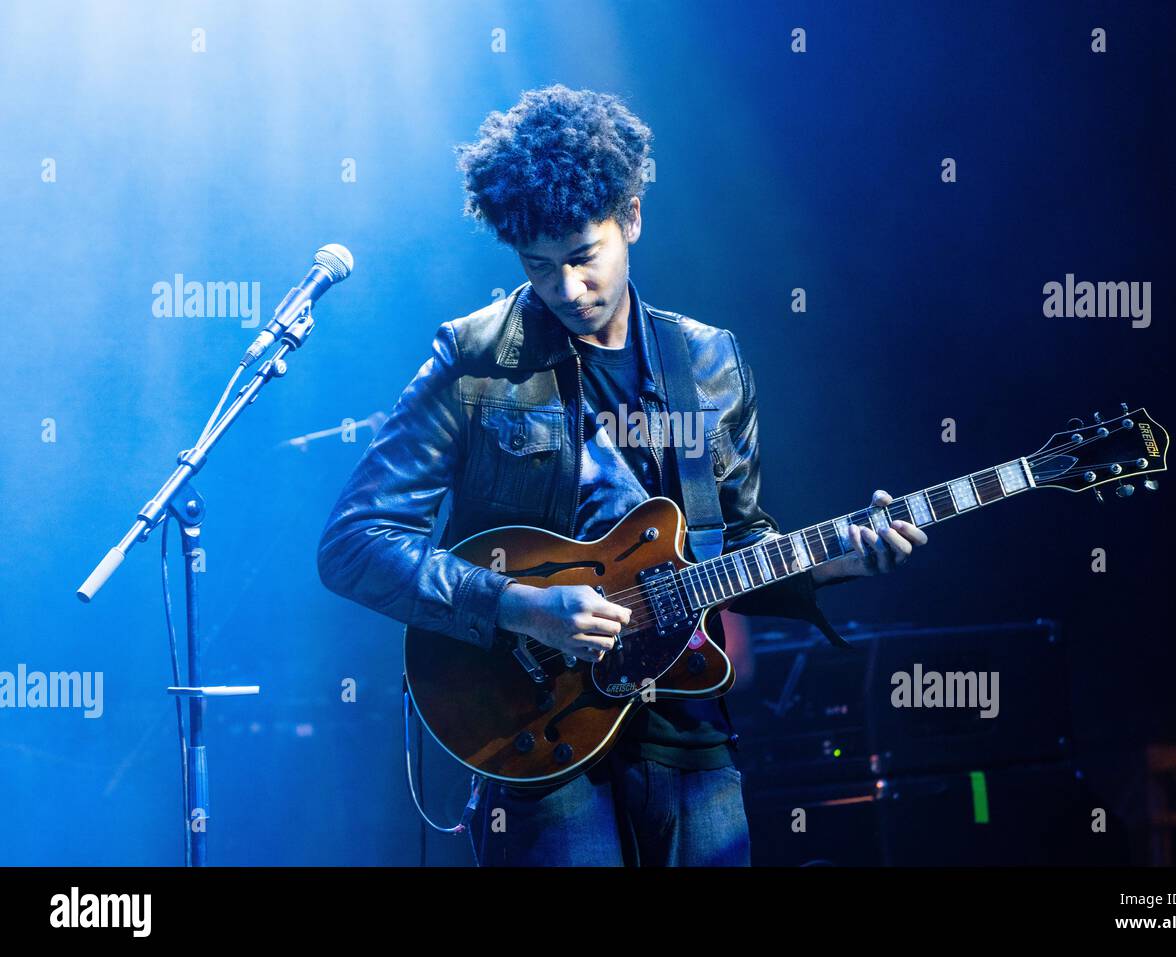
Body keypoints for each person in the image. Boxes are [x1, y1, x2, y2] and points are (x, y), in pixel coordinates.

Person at [316, 84, 929, 866]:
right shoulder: (473, 359)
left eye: (581, 257)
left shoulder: (708, 361)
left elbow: (733, 545)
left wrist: (838, 558)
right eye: (538, 267)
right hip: (534, 728)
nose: (565, 290)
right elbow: (354, 542)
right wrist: (518, 605)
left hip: (687, 727)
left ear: (631, 216)